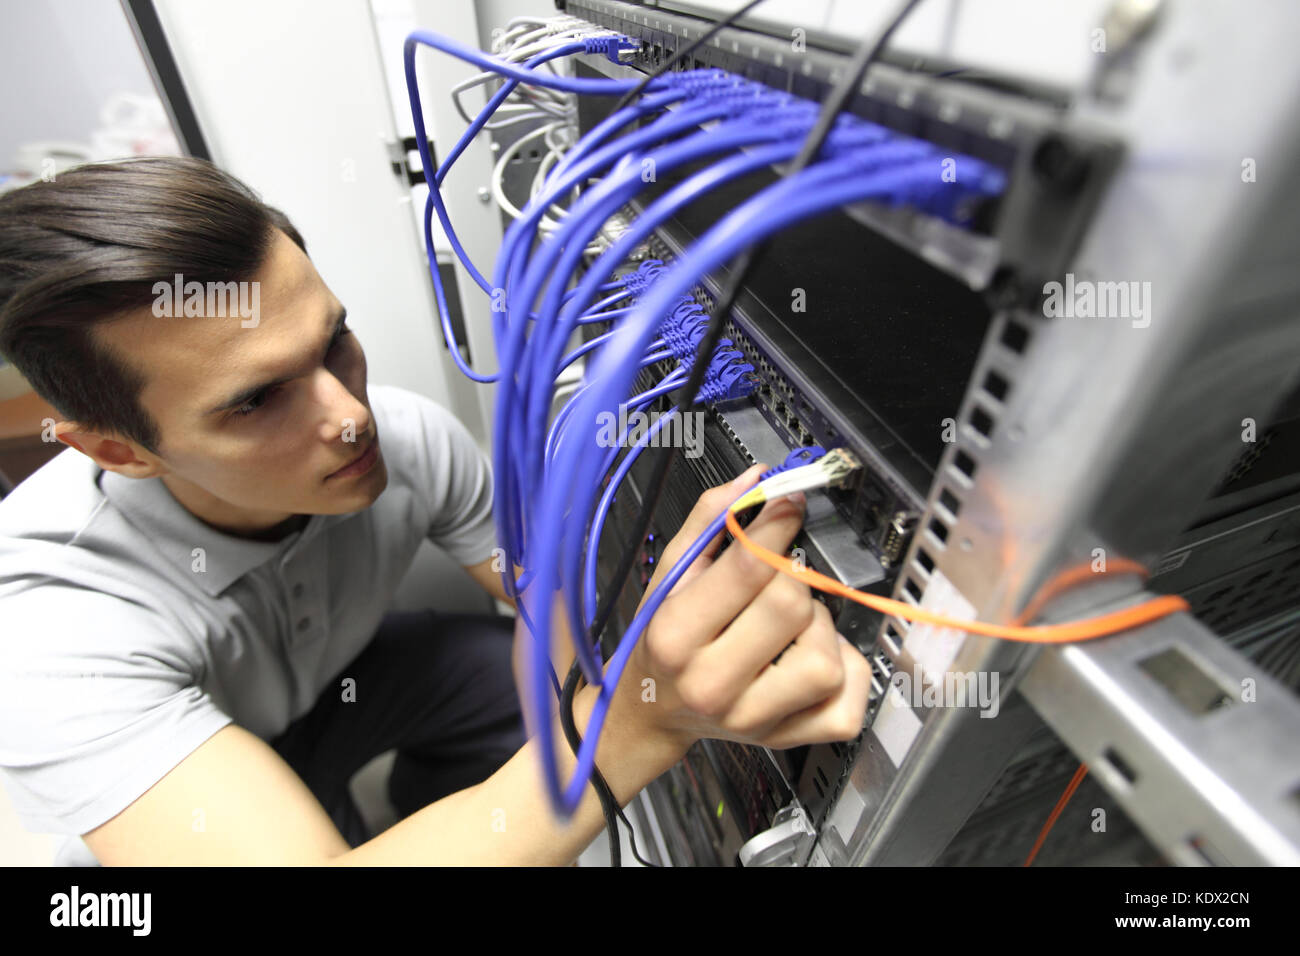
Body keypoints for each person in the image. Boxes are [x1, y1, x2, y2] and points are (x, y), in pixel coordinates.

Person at [0, 156, 869, 865]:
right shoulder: (45, 631)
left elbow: (542, 604)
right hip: (176, 762)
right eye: (258, 400)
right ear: (121, 451)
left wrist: (618, 690)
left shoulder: (403, 438)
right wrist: (637, 731)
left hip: (344, 685)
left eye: (333, 341)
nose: (350, 417)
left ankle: (438, 817)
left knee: (503, 675)